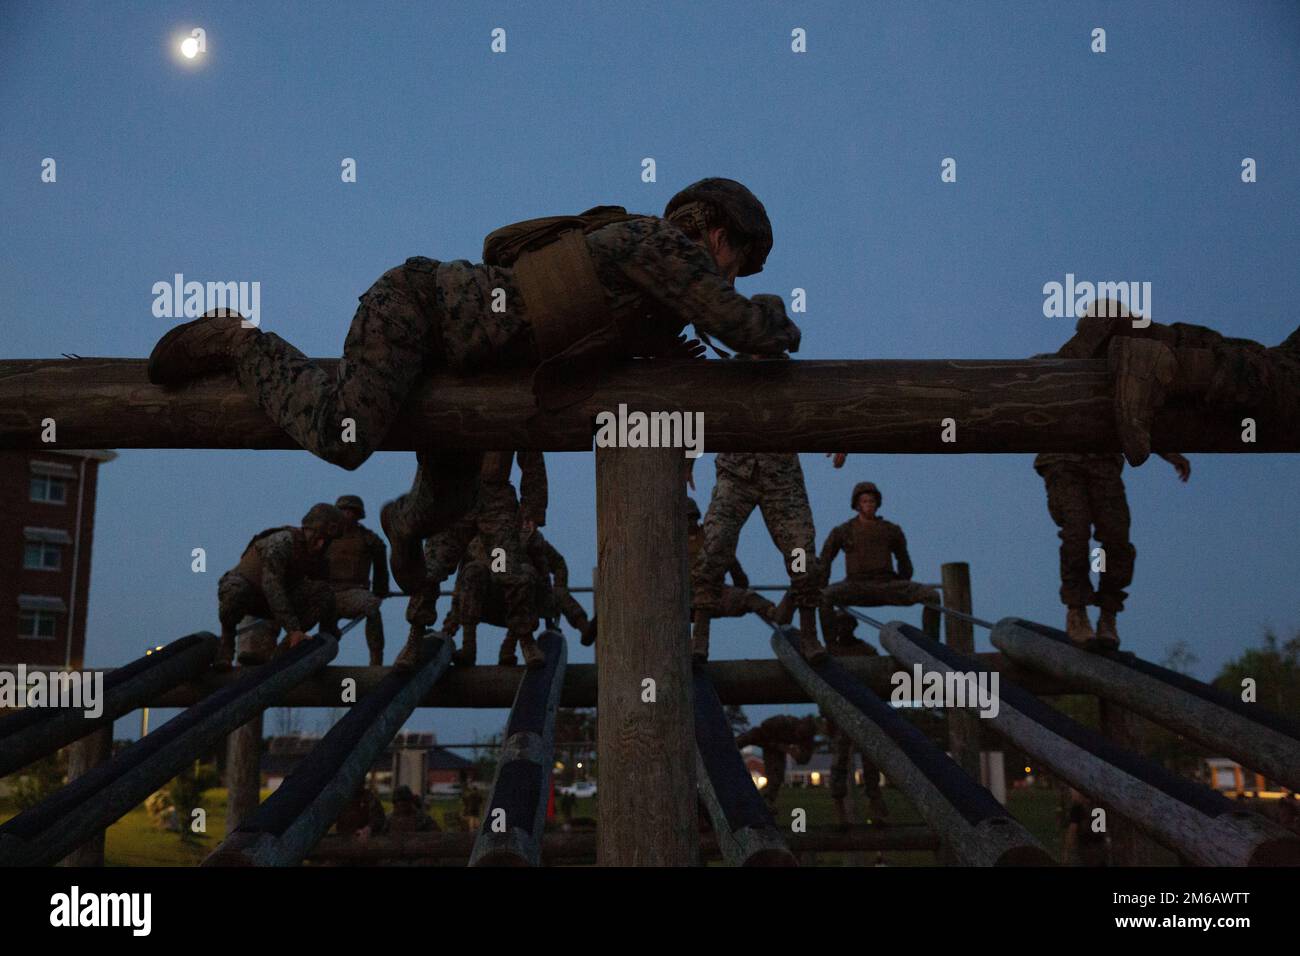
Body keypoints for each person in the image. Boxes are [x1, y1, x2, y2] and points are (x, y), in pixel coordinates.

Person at [147, 178, 801, 657]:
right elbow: (744, 328)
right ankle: (236, 341)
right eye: (738, 263)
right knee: (342, 435)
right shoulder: (659, 242)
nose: (733, 278)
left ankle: (400, 525)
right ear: (718, 232)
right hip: (421, 309)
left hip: (466, 368)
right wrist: (775, 314)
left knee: (449, 502)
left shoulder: (651, 290)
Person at [1035, 300, 1193, 648]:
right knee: (1076, 534)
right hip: (1064, 460)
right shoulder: (1056, 364)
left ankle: (1108, 614)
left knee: (1116, 538)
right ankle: (1077, 610)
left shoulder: (1122, 371)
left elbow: (1135, 414)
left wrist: (1168, 452)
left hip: (1103, 462)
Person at [690, 370, 826, 665]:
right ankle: (699, 634)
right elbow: (704, 416)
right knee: (715, 546)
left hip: (781, 477)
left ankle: (808, 632)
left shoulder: (789, 377)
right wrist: (688, 458)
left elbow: (822, 405)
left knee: (802, 553)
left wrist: (840, 439)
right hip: (736, 472)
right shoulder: (728, 380)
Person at [402, 451, 547, 669]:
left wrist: (533, 509)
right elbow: (428, 451)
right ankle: (415, 635)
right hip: (455, 493)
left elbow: (531, 453)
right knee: (431, 568)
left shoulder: (508, 416)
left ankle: (525, 636)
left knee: (511, 570)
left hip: (496, 498)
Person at [215, 503, 346, 669]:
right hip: (251, 594)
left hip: (278, 601)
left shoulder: (319, 558)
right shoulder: (283, 542)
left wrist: (330, 630)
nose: (321, 545)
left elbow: (326, 593)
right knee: (234, 592)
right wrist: (293, 630)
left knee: (323, 594)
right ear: (308, 529)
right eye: (318, 538)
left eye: (326, 542)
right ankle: (226, 645)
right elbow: (272, 586)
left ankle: (282, 653)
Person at [817, 482, 940, 644]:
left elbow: (904, 561)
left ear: (877, 504)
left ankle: (931, 646)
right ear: (857, 505)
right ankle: (832, 647)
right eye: (864, 501)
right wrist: (821, 584)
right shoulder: (843, 531)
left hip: (886, 584)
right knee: (824, 597)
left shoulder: (891, 530)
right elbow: (825, 560)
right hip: (857, 585)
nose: (868, 505)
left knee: (931, 595)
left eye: (871, 501)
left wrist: (901, 582)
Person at [326, 494, 389, 665]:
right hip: (326, 593)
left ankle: (376, 660)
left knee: (372, 607)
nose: (347, 515)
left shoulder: (369, 539)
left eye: (351, 511)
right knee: (314, 627)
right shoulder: (325, 537)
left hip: (354, 592)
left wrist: (380, 590)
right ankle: (297, 659)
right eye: (343, 510)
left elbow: (381, 566)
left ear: (358, 514)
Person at [735, 714, 816, 811]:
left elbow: (804, 758)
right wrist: (780, 745)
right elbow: (765, 725)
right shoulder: (786, 721)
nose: (800, 735)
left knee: (776, 775)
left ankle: (767, 801)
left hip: (776, 749)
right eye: (799, 732)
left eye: (803, 734)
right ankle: (727, 747)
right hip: (763, 735)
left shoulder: (807, 738)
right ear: (799, 724)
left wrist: (795, 754)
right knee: (745, 739)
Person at [1063, 788, 1108, 866]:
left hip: (1085, 848)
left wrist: (1067, 851)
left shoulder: (1078, 808)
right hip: (1100, 848)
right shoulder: (1100, 806)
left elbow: (1072, 830)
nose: (1072, 794)